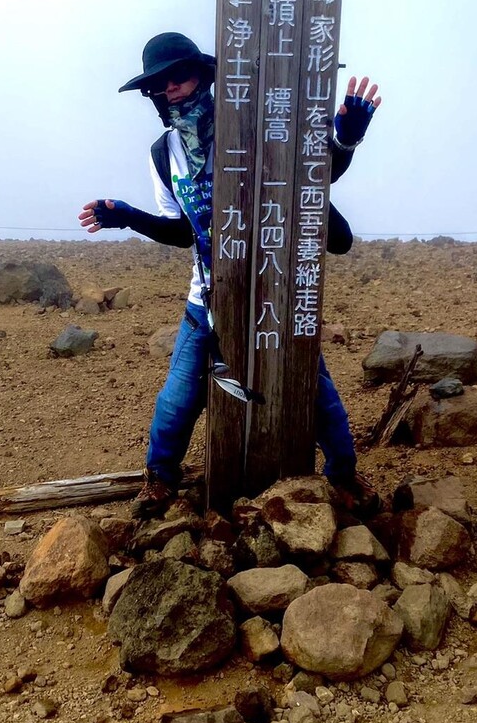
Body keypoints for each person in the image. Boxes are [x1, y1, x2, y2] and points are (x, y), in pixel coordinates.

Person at [79, 31, 381, 517]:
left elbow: (307, 175)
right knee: (178, 399)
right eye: (161, 83)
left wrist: (347, 137)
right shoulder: (164, 155)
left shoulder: (251, 127)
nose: (171, 88)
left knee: (313, 389)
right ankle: (159, 479)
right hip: (209, 300)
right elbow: (184, 232)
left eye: (180, 76)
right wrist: (128, 216)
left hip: (271, 288)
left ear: (204, 75)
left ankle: (344, 477)